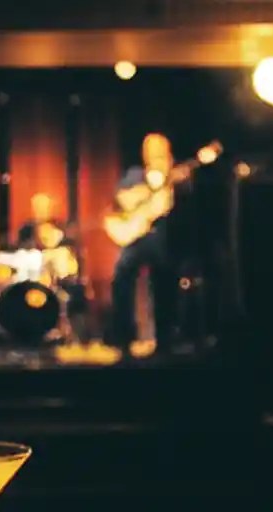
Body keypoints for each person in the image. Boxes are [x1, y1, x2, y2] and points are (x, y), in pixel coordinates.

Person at [109, 133, 180, 357]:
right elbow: (123, 199)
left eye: (159, 149)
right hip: (137, 237)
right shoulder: (135, 175)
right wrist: (149, 188)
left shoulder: (177, 174)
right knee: (121, 276)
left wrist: (171, 178)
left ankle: (165, 341)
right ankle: (124, 338)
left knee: (164, 283)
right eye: (150, 149)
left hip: (165, 236)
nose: (154, 153)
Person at [14, 193, 89, 341]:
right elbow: (20, 252)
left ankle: (68, 332)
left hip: (60, 280)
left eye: (44, 206)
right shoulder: (26, 230)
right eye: (37, 206)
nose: (40, 210)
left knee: (71, 293)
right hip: (32, 278)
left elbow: (71, 257)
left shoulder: (62, 229)